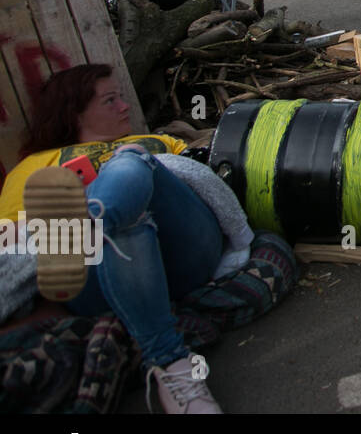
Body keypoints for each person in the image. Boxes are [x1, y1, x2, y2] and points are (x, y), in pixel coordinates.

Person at [0, 64, 247, 413]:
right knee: (125, 216)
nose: (124, 106)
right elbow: (14, 240)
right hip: (100, 278)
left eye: (121, 97)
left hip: (183, 251)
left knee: (129, 163)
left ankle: (99, 217)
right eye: (110, 100)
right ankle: (171, 363)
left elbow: (201, 182)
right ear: (74, 112)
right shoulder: (33, 169)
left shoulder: (157, 142)